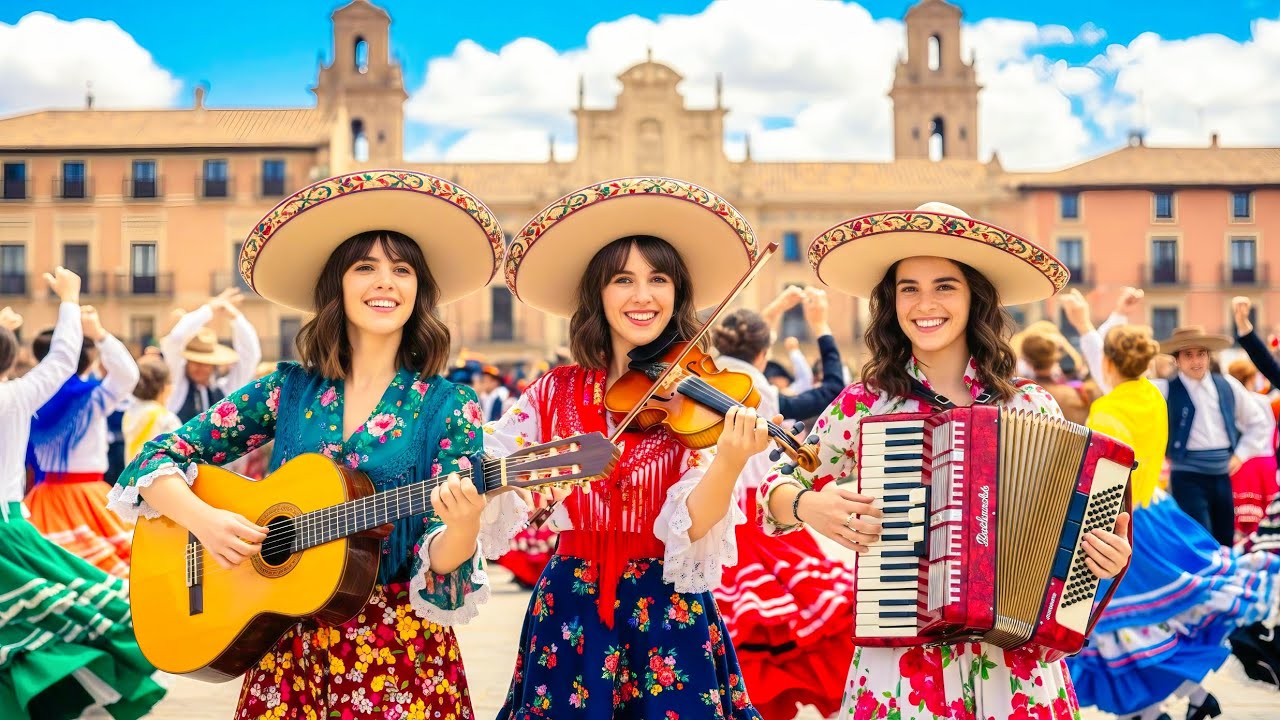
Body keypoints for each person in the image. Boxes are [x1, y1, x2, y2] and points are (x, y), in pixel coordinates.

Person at [108, 170, 507, 719]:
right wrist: (205, 521)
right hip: (283, 656)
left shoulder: (449, 405)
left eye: (402, 269)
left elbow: (442, 567)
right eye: (364, 267)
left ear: (420, 290)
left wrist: (462, 525)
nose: (385, 282)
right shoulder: (286, 389)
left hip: (399, 659)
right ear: (336, 286)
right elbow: (155, 458)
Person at [759, 202, 1133, 718]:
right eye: (908, 287)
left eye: (944, 286)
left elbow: (1067, 553)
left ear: (974, 298)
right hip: (902, 669)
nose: (923, 303)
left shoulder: (1030, 406)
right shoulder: (866, 403)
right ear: (891, 302)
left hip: (1013, 663)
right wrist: (808, 506)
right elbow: (770, 492)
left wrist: (1102, 562)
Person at [487, 176, 767, 718]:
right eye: (623, 280)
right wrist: (508, 481)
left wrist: (730, 461)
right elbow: (497, 464)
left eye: (658, 279)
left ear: (677, 294)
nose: (643, 296)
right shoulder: (554, 390)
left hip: (669, 610)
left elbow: (696, 522)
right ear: (599, 294)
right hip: (572, 610)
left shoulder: (695, 404)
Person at [1064, 324, 1280, 720]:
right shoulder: (1152, 395)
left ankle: (1152, 711)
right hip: (1160, 510)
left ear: (1108, 363)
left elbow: (1105, 474)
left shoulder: (1108, 408)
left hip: (1126, 521)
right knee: (1164, 617)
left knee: (1128, 625)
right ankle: (1193, 698)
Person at [0, 272, 165, 720]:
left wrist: (7, 330)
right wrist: (81, 314)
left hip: (41, 499)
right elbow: (108, 371)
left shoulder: (31, 398)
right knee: (81, 592)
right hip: (65, 501)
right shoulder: (60, 396)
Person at [708, 300, 852, 720]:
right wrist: (821, 325)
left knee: (739, 620)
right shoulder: (762, 391)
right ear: (763, 349)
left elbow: (748, 344)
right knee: (798, 617)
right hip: (759, 509)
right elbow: (831, 390)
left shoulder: (710, 381)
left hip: (714, 509)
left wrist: (766, 314)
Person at [25, 303, 140, 577]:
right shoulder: (88, 398)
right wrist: (100, 334)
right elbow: (128, 376)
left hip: (42, 497)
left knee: (50, 571)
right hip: (86, 495)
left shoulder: (31, 394)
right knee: (113, 573)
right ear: (85, 360)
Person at [1154, 326, 1272, 545]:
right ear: (1177, 360)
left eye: (1201, 354)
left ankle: (1225, 579)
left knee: (1225, 537)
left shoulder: (1227, 385)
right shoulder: (1164, 390)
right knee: (1198, 538)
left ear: (1208, 356)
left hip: (1222, 475)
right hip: (1186, 476)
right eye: (1188, 355)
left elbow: (1258, 422)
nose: (1196, 360)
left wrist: (1240, 455)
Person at [161, 287, 262, 423]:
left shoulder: (224, 390)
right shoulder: (177, 388)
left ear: (213, 365)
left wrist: (236, 318)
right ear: (186, 362)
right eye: (195, 362)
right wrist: (210, 309)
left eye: (205, 363)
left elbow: (251, 356)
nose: (200, 367)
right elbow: (176, 338)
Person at [122, 356, 182, 461]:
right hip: (158, 475)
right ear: (164, 386)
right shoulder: (165, 417)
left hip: (131, 474)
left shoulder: (129, 412)